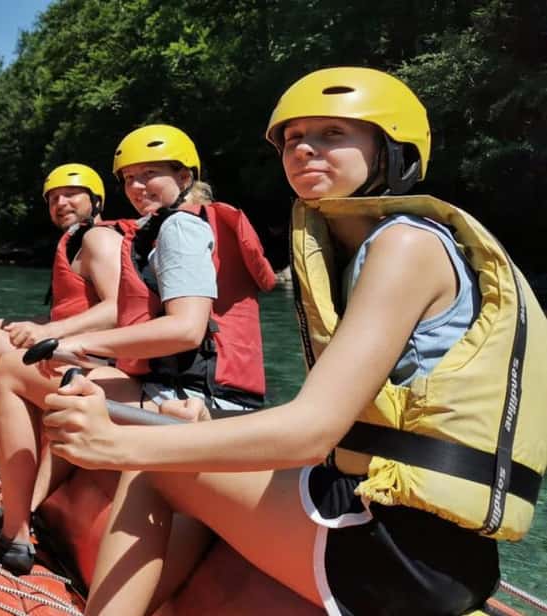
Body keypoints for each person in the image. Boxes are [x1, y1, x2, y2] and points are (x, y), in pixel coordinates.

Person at [45, 68, 547, 616]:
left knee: (152, 467)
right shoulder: (376, 247)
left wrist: (117, 445)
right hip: (423, 541)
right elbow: (342, 417)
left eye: (333, 133)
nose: (304, 148)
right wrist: (216, 424)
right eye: (292, 138)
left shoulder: (406, 246)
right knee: (183, 447)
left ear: (391, 148)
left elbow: (311, 432)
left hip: (405, 555)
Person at [0, 125, 274, 575]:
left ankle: (15, 532)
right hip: (185, 392)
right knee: (62, 382)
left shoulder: (179, 230)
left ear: (184, 176)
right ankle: (27, 508)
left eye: (150, 174)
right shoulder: (173, 226)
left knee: (13, 368)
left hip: (194, 404)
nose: (137, 188)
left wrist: (71, 341)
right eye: (129, 178)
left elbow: (186, 330)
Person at [0, 163, 121, 518]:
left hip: (91, 360)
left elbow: (118, 309)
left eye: (71, 195)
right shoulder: (79, 240)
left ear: (96, 200)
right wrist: (37, 323)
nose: (61, 203)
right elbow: (78, 306)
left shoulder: (98, 239)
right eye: (53, 198)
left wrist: (48, 332)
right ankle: (0, 440)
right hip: (75, 347)